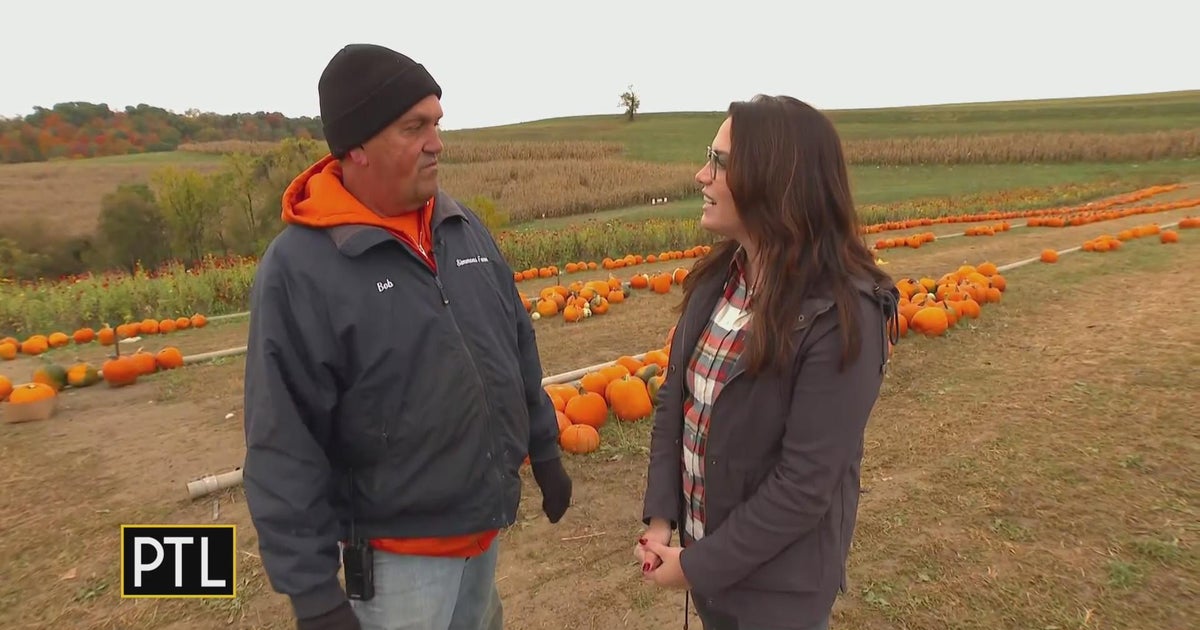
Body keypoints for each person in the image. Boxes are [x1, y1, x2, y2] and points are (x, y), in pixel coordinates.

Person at [241, 43, 573, 630]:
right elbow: (282, 439)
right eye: (414, 127)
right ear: (357, 147)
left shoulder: (462, 227)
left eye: (437, 123)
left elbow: (515, 344)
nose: (436, 142)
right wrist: (313, 592)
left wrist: (543, 448)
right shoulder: (301, 268)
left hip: (481, 534)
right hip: (397, 564)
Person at [635, 95, 900, 630]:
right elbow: (674, 403)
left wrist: (695, 566)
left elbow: (804, 483)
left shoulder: (844, 313)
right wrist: (663, 517)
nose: (700, 175)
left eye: (720, 162)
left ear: (776, 179)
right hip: (710, 568)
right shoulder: (717, 281)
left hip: (779, 591)